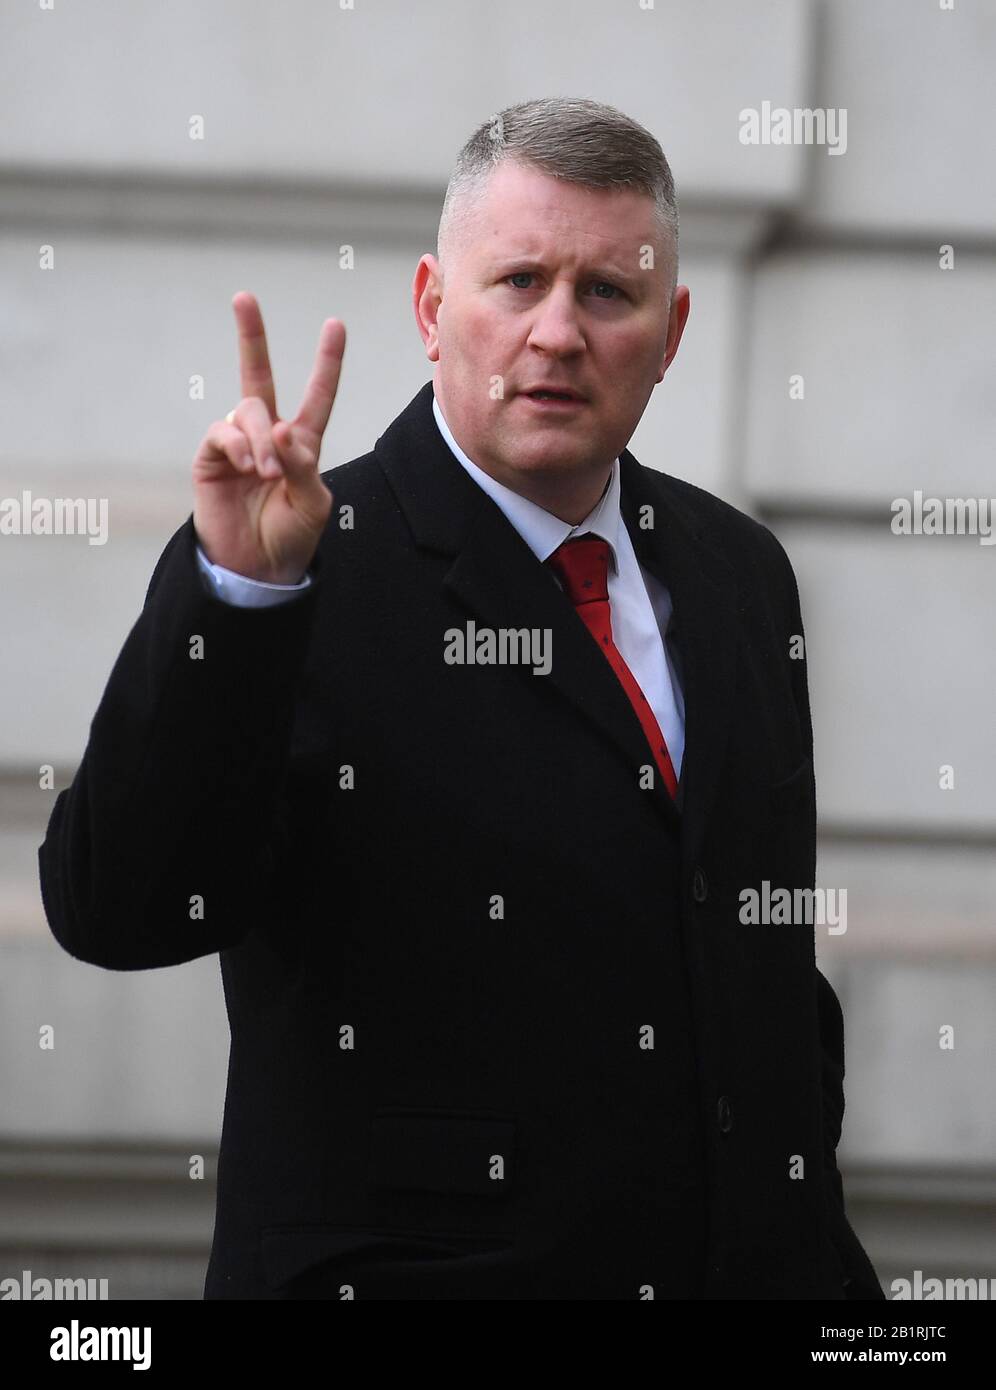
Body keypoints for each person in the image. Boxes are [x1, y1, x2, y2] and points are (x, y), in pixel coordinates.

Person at [38, 96, 884, 1300]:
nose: (556, 333)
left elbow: (755, 945)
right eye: (520, 281)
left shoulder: (740, 572)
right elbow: (117, 908)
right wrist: (239, 597)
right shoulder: (297, 561)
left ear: (671, 328)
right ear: (435, 307)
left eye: (606, 292)